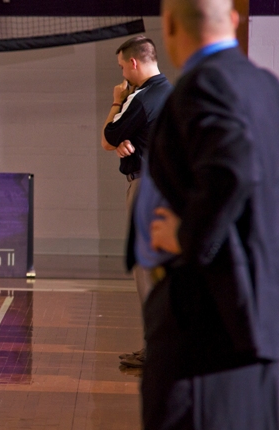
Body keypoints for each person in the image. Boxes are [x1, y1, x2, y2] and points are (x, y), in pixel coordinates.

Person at [135, 0, 279, 430]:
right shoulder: (265, 85)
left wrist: (185, 235)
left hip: (207, 319)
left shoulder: (204, 84)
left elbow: (233, 169)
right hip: (257, 312)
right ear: (233, 20)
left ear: (171, 24)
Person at [101, 36, 172, 368]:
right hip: (171, 189)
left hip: (145, 187)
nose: (122, 77)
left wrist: (116, 101)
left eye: (121, 68)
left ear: (133, 63)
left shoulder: (140, 97)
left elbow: (108, 136)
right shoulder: (171, 93)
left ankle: (156, 346)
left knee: (145, 268)